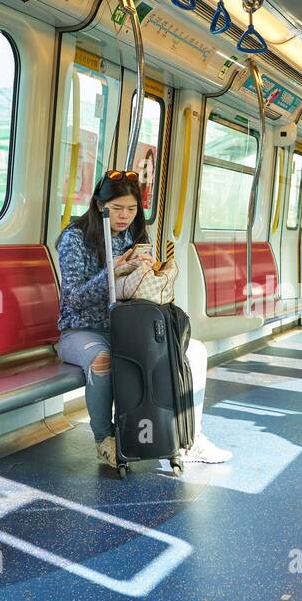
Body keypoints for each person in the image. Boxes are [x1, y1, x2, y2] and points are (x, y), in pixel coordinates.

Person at [57, 171, 232, 469]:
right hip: (82, 330)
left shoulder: (133, 237)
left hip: (129, 327)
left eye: (132, 209)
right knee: (102, 359)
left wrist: (149, 272)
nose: (126, 216)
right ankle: (105, 439)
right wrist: (112, 272)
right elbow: (73, 298)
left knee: (194, 353)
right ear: (101, 206)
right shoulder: (75, 238)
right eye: (118, 208)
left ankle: (190, 436)